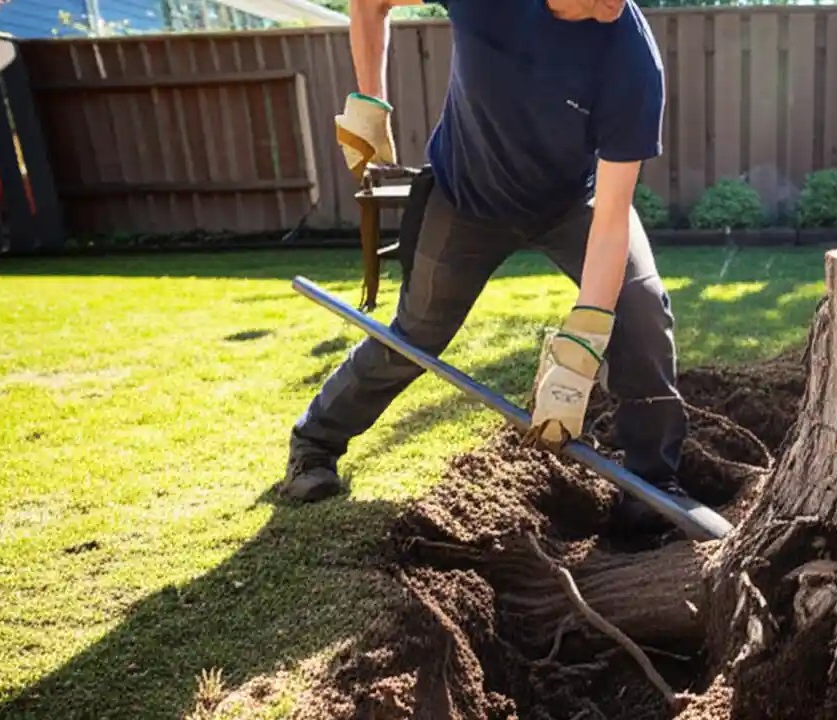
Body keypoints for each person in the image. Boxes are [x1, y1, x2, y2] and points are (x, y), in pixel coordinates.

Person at [274, 0, 691, 528]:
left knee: (641, 308)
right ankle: (314, 442)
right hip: (465, 197)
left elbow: (610, 220)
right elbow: (370, 3)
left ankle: (651, 485)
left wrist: (582, 346)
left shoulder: (632, 58)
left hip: (571, 204)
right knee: (416, 335)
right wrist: (368, 102)